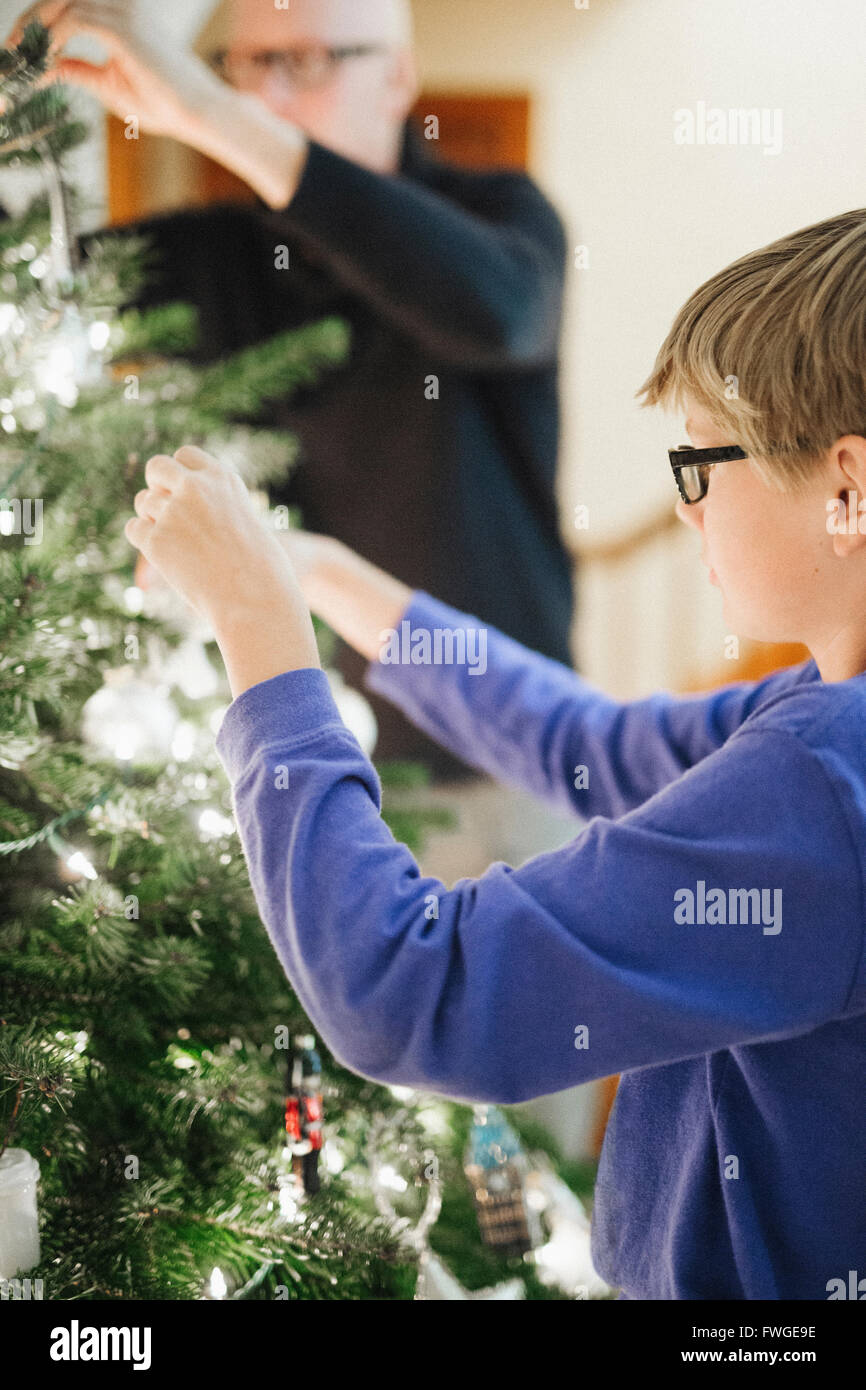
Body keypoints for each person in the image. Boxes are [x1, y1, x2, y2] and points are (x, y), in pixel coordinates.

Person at [125, 207, 866, 1299]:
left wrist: (261, 636)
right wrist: (321, 572)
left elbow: (410, 986)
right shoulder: (823, 721)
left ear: (845, 483)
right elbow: (587, 744)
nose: (686, 507)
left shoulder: (820, 781)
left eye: (702, 462)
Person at [5, 0, 578, 882]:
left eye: (304, 63)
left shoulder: (502, 216)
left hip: (495, 754)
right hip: (295, 763)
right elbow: (49, 283)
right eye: (242, 67)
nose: (264, 93)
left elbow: (498, 316)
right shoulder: (224, 253)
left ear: (397, 76)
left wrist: (216, 116)